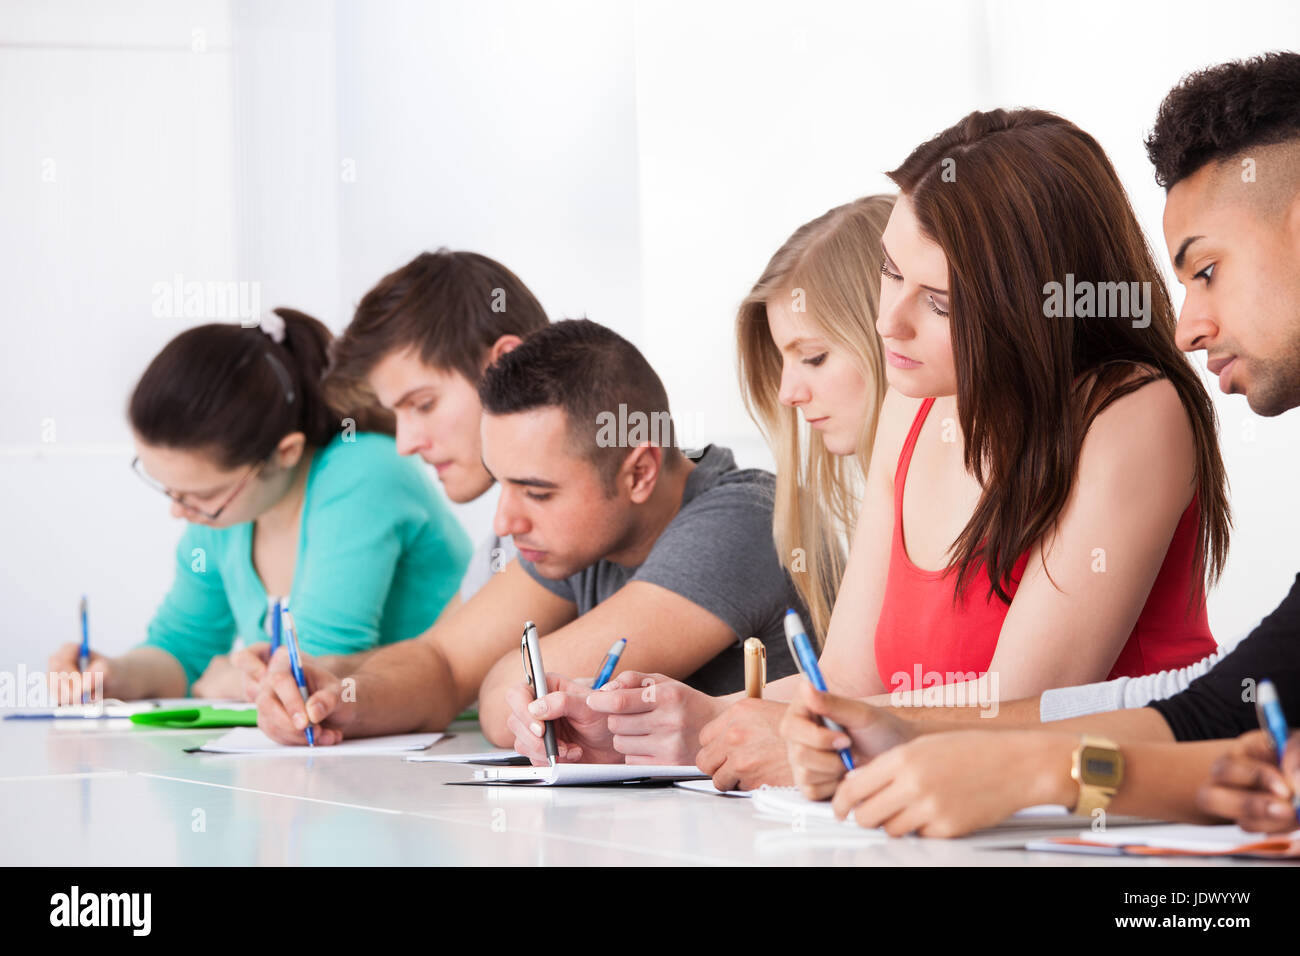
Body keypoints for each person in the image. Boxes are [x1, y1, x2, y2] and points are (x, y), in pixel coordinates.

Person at [543, 104, 1236, 785]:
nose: (886, 322)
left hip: (1114, 814)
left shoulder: (1133, 411)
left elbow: (1024, 707)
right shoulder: (917, 404)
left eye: (937, 302)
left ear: (1035, 308)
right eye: (890, 272)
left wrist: (753, 733)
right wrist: (655, 727)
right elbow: (848, 679)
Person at [785, 52, 1300, 836]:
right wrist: (920, 735)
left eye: (1206, 270)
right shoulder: (915, 410)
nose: (1190, 326)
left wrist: (1030, 765)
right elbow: (1224, 712)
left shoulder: (1131, 410)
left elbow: (1226, 733)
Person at [252, 318, 806, 747]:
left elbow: (513, 695)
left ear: (639, 471)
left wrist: (500, 683)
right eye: (503, 485)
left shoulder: (744, 519)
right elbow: (444, 663)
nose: (505, 522)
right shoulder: (583, 536)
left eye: (537, 493)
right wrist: (338, 692)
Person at [504, 195, 894, 765]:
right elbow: (851, 690)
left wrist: (713, 725)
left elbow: (1005, 706)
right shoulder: (892, 492)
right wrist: (669, 728)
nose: (788, 394)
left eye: (812, 357)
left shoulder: (743, 516)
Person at [48, 308, 471, 701]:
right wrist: (114, 674)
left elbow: (314, 672)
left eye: (202, 493)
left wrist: (228, 682)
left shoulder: (364, 471)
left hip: (443, 739)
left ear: (285, 453)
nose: (180, 510)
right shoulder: (227, 511)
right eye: (170, 489)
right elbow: (182, 649)